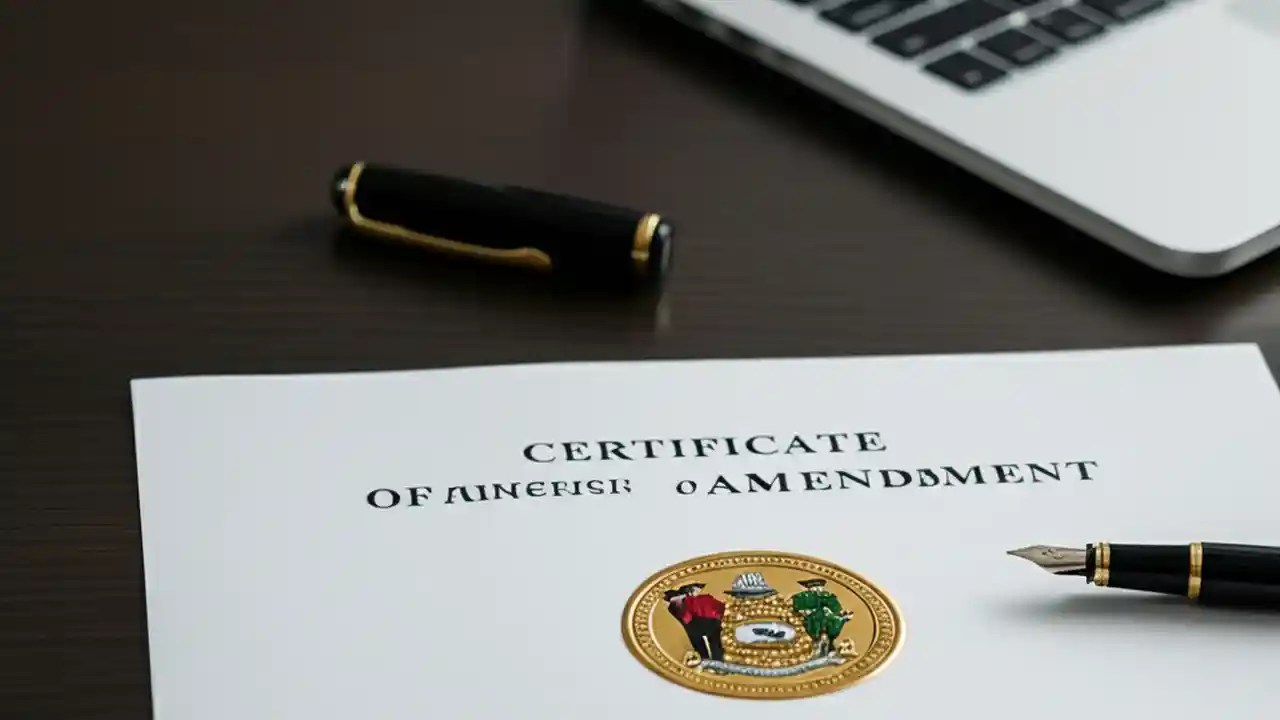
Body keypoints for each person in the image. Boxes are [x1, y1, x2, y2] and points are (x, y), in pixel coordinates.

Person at [666, 583, 725, 661]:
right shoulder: (701, 599)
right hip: (709, 624)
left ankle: (707, 660)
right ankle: (715, 661)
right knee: (715, 645)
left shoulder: (676, 605)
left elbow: (685, 617)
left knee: (702, 647)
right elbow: (720, 610)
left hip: (694, 625)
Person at [791, 579, 851, 655]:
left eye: (819, 586)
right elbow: (798, 608)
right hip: (810, 621)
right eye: (814, 586)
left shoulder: (828, 596)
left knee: (832, 623)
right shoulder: (801, 596)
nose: (818, 589)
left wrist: (841, 613)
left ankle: (828, 648)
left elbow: (835, 608)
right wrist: (804, 611)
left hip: (825, 620)